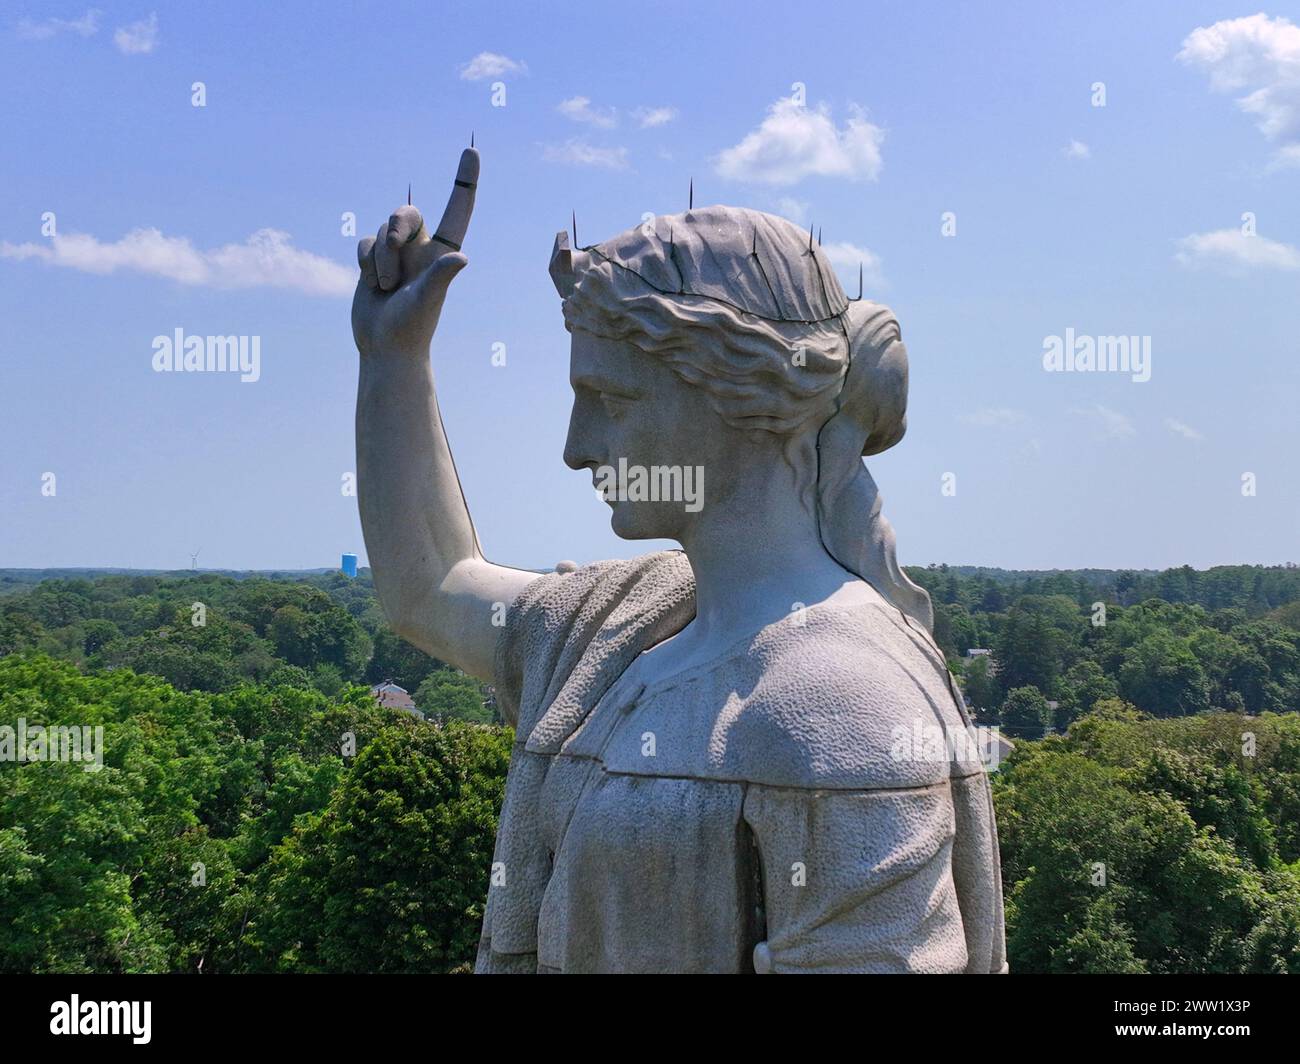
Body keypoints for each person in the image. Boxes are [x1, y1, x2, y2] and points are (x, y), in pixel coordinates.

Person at [353, 147, 1006, 973]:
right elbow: (430, 588)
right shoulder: (625, 620)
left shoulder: (842, 708)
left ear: (738, 398)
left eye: (611, 401)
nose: (575, 448)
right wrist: (392, 360)